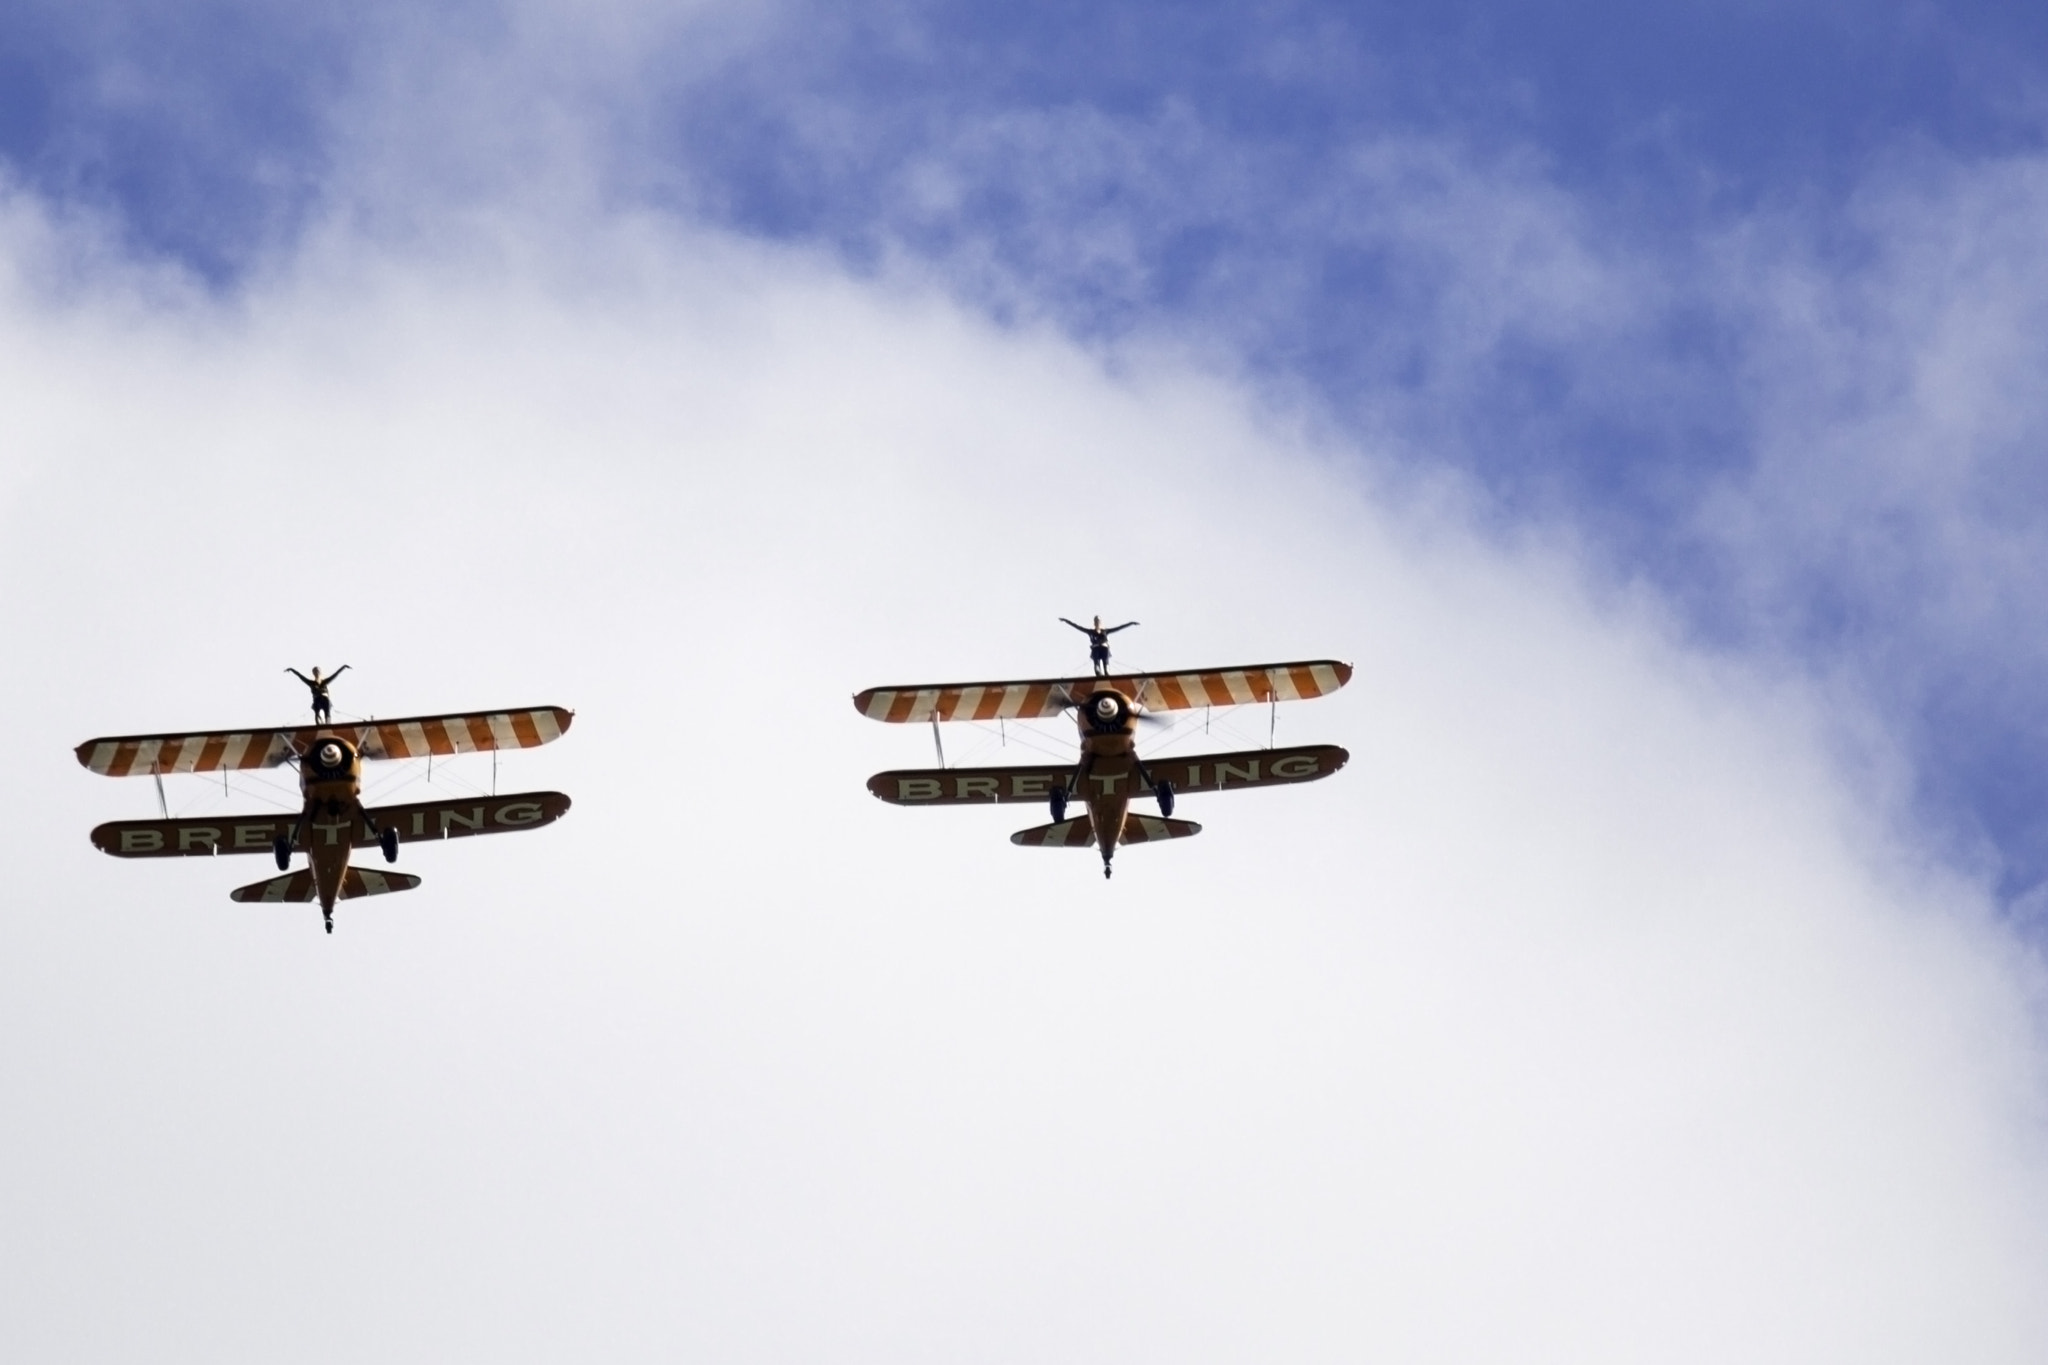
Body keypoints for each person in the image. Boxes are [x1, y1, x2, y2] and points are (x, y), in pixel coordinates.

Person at [1060, 616, 1137, 676]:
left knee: (1105, 653)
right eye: (1096, 621)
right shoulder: (1090, 632)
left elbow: (1119, 628)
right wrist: (1066, 621)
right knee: (1096, 659)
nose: (1097, 622)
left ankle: (1106, 668)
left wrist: (1131, 623)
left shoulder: (1105, 631)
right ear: (1094, 623)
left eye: (1098, 621)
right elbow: (1077, 626)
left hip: (1104, 650)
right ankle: (1097, 669)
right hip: (1096, 650)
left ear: (1101, 623)